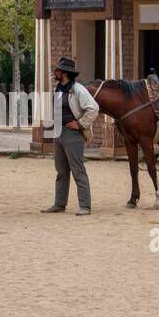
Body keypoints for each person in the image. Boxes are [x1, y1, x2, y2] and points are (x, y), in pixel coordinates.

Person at [41, 56, 99, 217]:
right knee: (61, 171)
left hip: (73, 134)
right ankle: (59, 204)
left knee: (77, 170)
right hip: (59, 132)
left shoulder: (78, 89)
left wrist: (80, 124)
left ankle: (85, 206)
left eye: (58, 70)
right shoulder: (58, 88)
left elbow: (93, 108)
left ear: (64, 73)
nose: (55, 72)